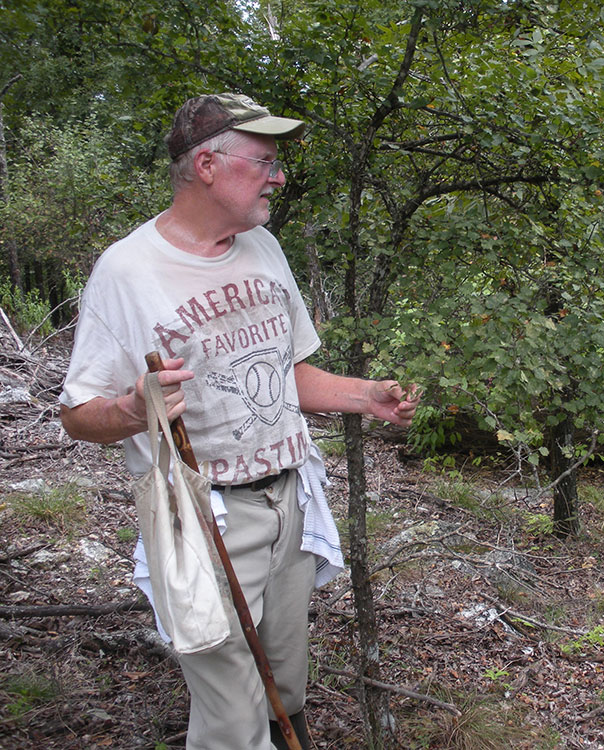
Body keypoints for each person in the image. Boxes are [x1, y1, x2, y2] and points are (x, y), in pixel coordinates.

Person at [59, 93, 419, 750]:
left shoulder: (263, 249)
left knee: (285, 686)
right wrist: (132, 409)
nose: (278, 177)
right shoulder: (128, 272)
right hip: (204, 520)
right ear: (205, 164)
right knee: (231, 719)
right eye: (264, 162)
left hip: (289, 500)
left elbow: (288, 374)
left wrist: (367, 397)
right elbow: (79, 415)